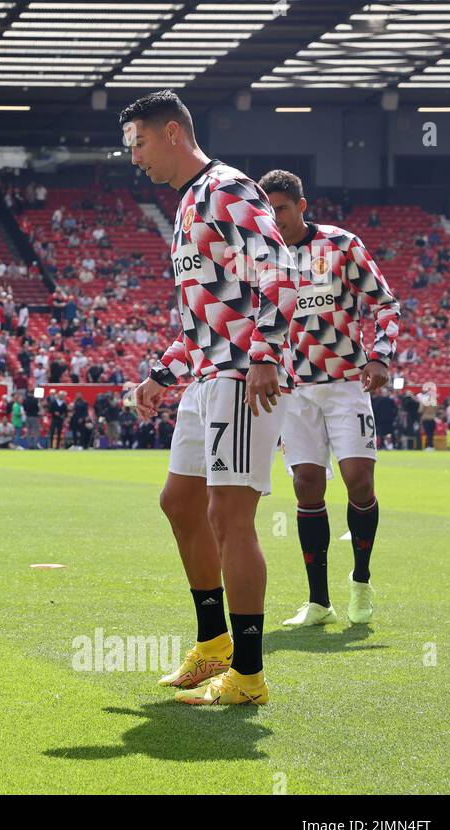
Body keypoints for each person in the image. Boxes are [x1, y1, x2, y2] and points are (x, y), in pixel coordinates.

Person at [126, 90, 296, 706]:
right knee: (179, 502)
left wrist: (268, 356)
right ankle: (214, 644)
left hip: (241, 377)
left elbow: (280, 274)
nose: (134, 157)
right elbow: (206, 319)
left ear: (173, 133)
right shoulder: (188, 203)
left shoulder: (229, 188)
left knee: (230, 518)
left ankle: (249, 677)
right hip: (206, 375)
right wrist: (160, 374)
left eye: (138, 143)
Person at [259, 170, 400, 628]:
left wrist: (380, 356)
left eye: (281, 207)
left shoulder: (341, 244)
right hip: (293, 390)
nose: (275, 217)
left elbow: (385, 303)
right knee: (306, 487)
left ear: (303, 205)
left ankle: (360, 581)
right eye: (268, 209)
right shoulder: (260, 254)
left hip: (345, 385)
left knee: (358, 480)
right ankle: (318, 601)